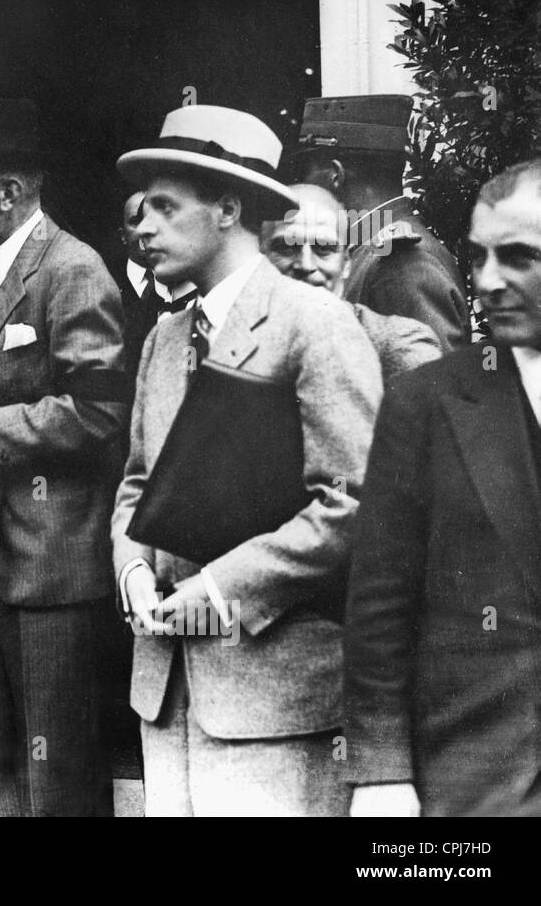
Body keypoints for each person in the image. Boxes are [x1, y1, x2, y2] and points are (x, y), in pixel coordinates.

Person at [111, 105, 382, 815]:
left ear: (228, 208)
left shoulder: (314, 323)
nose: (143, 226)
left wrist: (226, 587)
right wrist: (132, 568)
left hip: (275, 702)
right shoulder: (164, 339)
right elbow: (138, 483)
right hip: (166, 697)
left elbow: (352, 501)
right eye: (143, 210)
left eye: (165, 208)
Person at [0, 98, 128, 816]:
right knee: (2, 772)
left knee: (56, 779)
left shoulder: (74, 270)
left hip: (50, 570)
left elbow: (100, 411)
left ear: (10, 194)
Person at [346, 159, 541, 817]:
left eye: (518, 257)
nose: (486, 281)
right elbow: (380, 602)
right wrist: (380, 774)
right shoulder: (425, 402)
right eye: (477, 256)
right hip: (477, 778)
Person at [293, 94, 470, 352]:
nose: (307, 186)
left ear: (335, 175)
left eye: (307, 174)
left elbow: (432, 384)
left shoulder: (402, 263)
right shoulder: (370, 250)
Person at [264, 183, 441, 383]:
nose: (306, 265)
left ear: (346, 263)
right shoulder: (232, 331)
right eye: (287, 248)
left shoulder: (396, 347)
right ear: (260, 257)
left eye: (323, 248)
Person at [119, 190, 197, 382]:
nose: (144, 230)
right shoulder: (133, 319)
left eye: (166, 216)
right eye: (143, 220)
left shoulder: (217, 305)